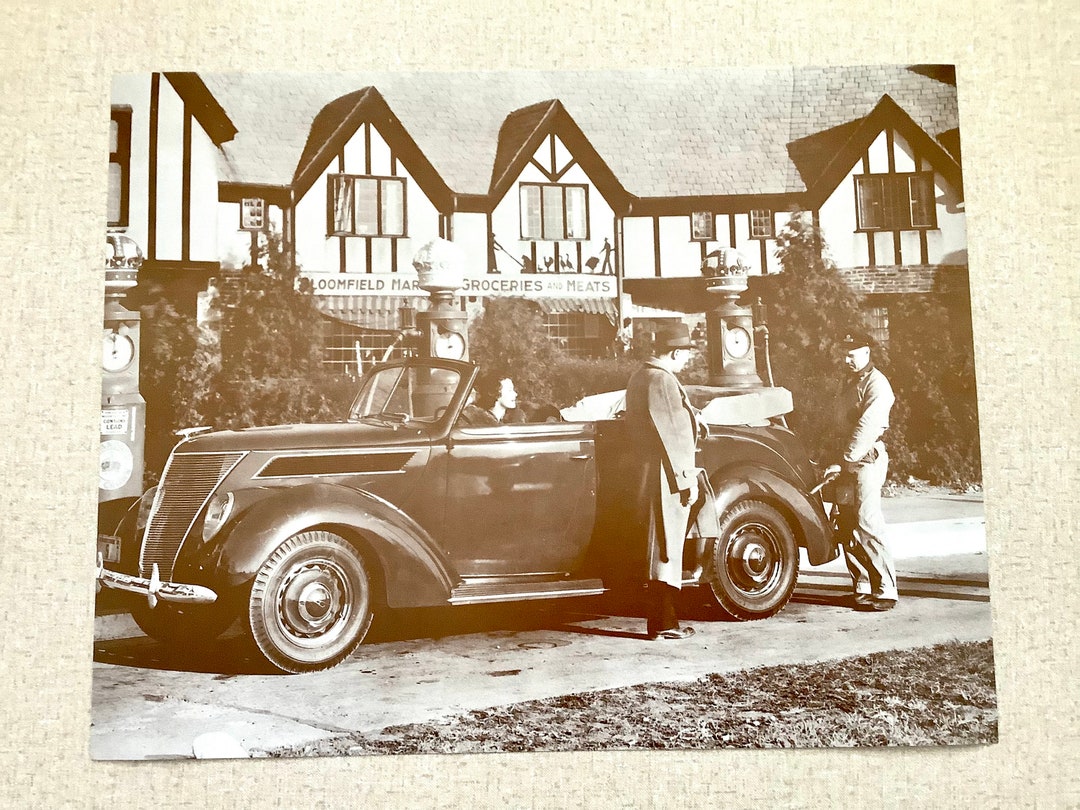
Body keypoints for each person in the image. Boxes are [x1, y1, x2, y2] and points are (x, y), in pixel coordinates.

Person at [624, 322, 717, 640]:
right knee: (666, 546)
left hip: (648, 472)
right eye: (686, 354)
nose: (687, 360)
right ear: (676, 352)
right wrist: (686, 481)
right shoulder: (662, 380)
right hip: (667, 476)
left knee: (656, 546)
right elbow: (674, 437)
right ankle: (664, 624)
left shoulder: (641, 376)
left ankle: (662, 621)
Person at [824, 331, 898, 612]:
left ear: (866, 352)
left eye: (851, 354)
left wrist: (843, 461)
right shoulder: (847, 382)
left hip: (865, 460)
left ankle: (887, 588)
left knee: (867, 521)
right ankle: (863, 584)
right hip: (845, 460)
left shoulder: (878, 385)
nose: (846, 359)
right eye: (844, 353)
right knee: (846, 523)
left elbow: (867, 427)